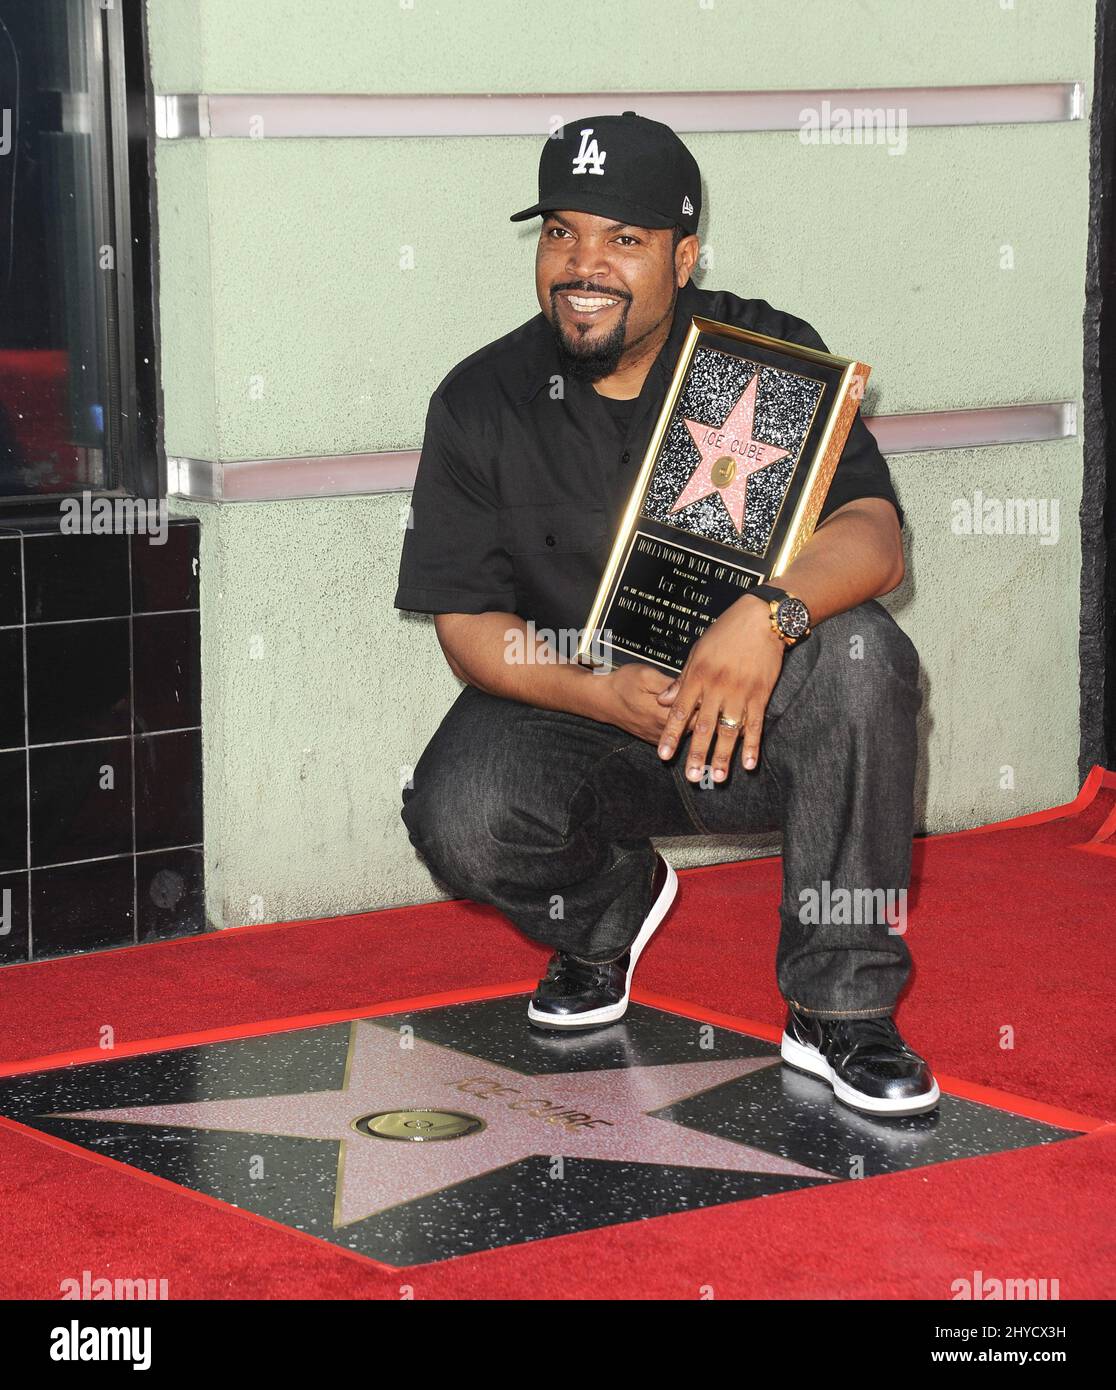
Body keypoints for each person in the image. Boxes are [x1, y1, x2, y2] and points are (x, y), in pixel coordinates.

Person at [394, 111, 938, 1117]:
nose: (582, 264)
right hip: (589, 713)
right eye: (562, 232)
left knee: (863, 653)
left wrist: (768, 617)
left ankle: (840, 1008)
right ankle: (605, 912)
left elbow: (874, 535)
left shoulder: (763, 355)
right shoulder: (481, 398)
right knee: (456, 809)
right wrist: (598, 693)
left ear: (684, 256)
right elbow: (470, 625)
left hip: (757, 715)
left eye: (624, 239)